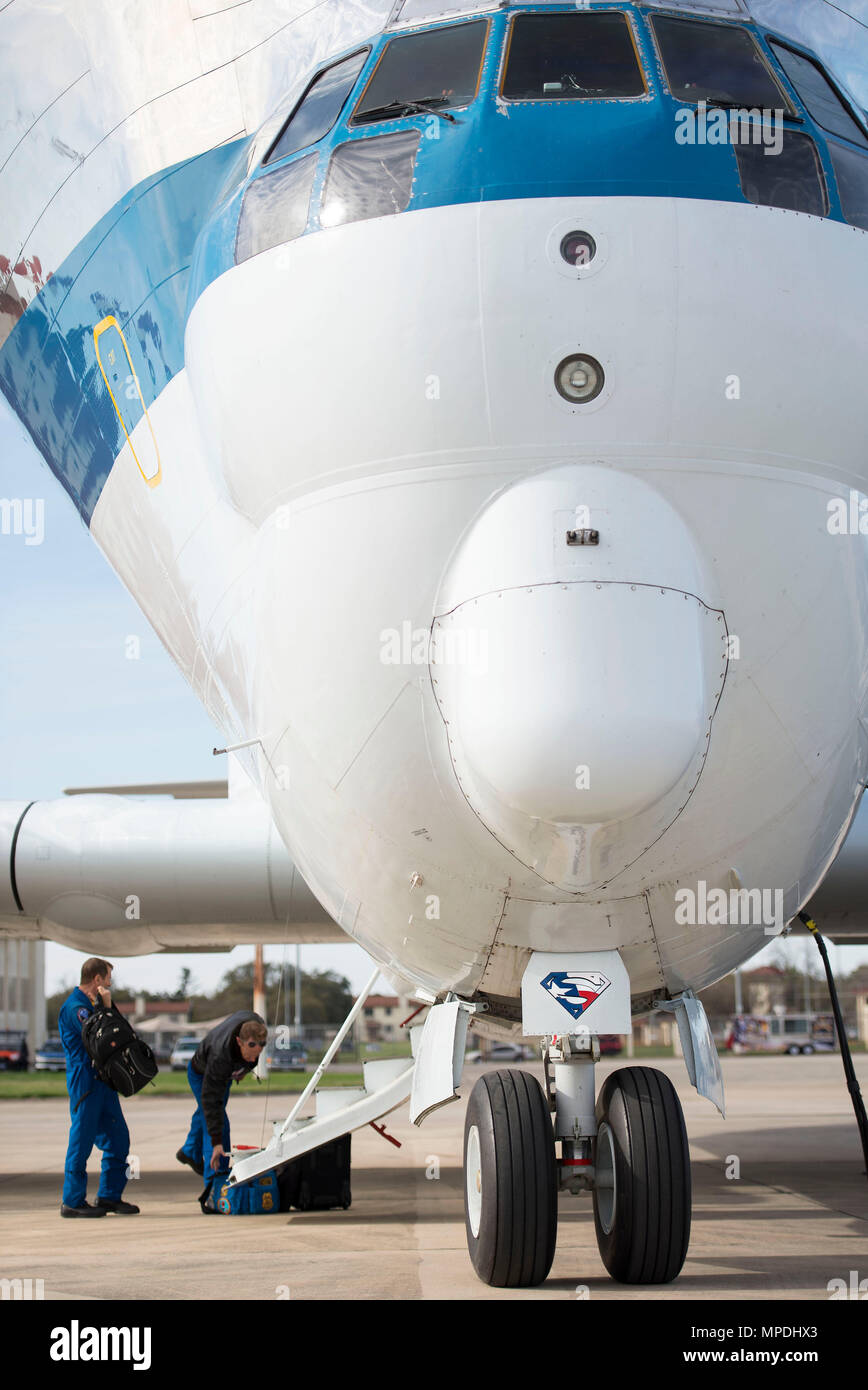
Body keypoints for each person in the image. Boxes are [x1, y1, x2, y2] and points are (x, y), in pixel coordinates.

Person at [58, 957, 139, 1218]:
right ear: (97, 980)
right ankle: (72, 1201)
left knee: (118, 1139)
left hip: (104, 1080)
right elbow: (100, 1038)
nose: (110, 983)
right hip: (85, 1080)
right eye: (107, 978)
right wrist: (105, 1006)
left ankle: (109, 1196)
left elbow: (119, 1032)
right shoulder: (76, 1008)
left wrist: (106, 1006)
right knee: (81, 1141)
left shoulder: (94, 1005)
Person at [176, 1012, 267, 1185]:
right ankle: (215, 1180)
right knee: (217, 1119)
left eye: (257, 1055)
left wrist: (244, 1068)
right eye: (250, 1055)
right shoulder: (220, 1056)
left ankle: (189, 1151)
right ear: (239, 1042)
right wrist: (217, 1143)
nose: (253, 1059)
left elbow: (246, 1020)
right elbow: (211, 1102)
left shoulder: (257, 1031)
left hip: (226, 1074)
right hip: (201, 1074)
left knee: (206, 1113)